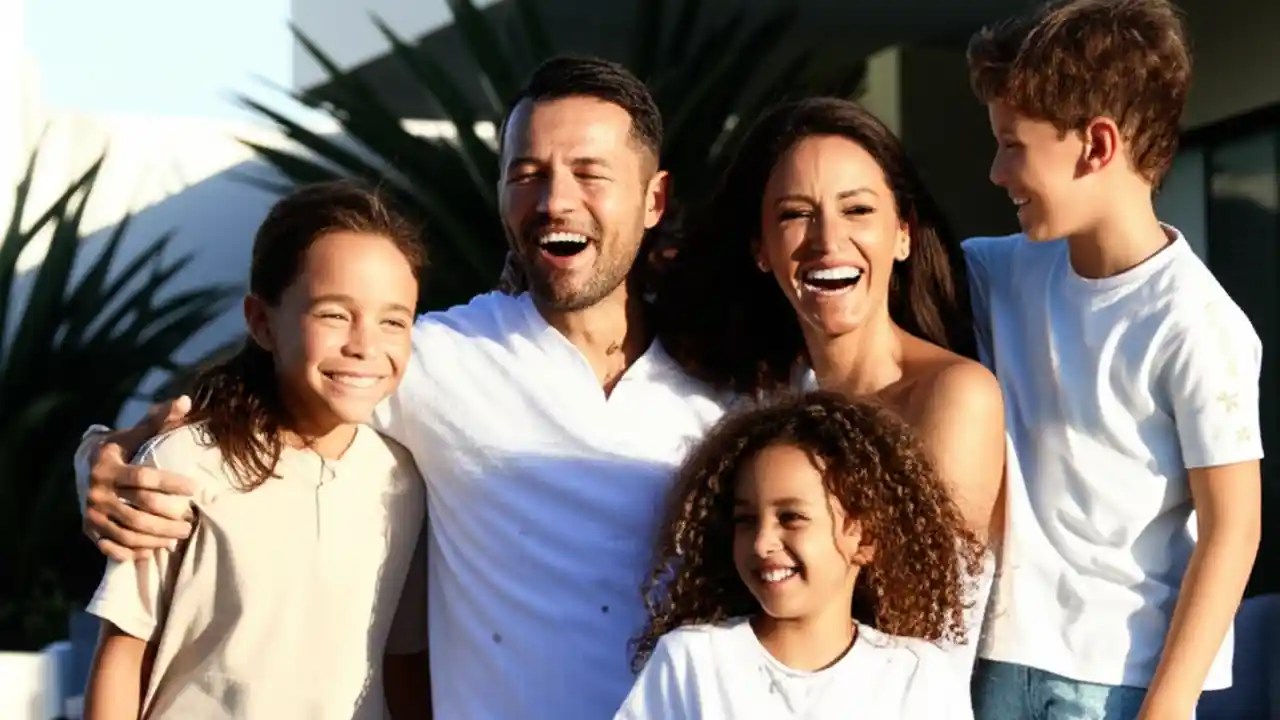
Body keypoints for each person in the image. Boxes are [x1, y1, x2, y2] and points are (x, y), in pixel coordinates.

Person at [74, 56, 729, 719]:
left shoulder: (732, 387)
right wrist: (99, 459)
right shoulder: (429, 357)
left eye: (589, 173)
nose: (554, 200)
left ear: (654, 199)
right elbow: (249, 397)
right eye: (526, 175)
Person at [962, 1, 1263, 718]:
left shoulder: (1195, 321)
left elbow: (1234, 528)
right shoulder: (997, 270)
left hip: (1119, 686)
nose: (997, 171)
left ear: (1096, 146)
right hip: (994, 663)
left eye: (1013, 145)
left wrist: (1164, 709)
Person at [655, 97, 1005, 675]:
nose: (827, 241)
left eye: (858, 210)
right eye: (796, 214)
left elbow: (917, 621)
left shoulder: (956, 395)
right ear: (760, 250)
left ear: (902, 234)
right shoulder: (764, 400)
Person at [81, 181, 430, 719]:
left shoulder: (403, 480)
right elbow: (124, 655)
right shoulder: (182, 466)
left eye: (393, 321)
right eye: (334, 314)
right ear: (262, 322)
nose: (365, 345)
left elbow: (402, 660)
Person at [615, 392, 981, 719]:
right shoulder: (692, 661)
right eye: (746, 520)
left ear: (865, 537)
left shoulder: (917, 676)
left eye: (791, 518)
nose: (762, 543)